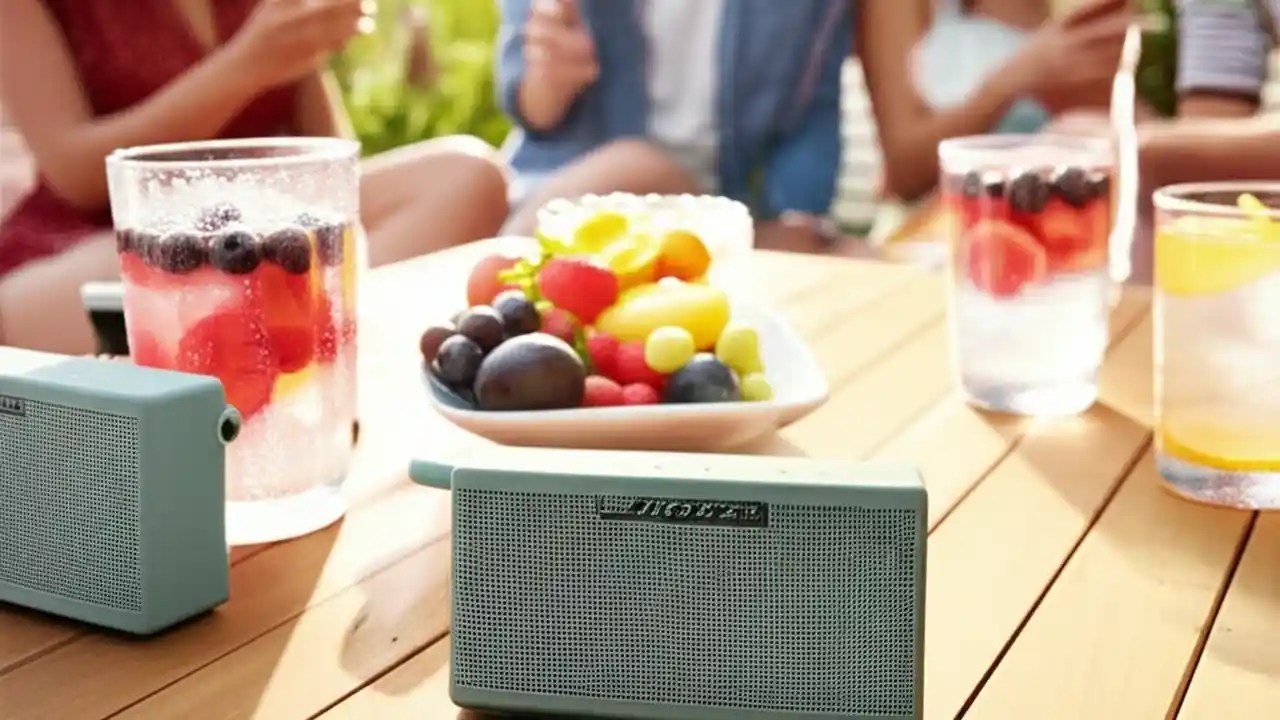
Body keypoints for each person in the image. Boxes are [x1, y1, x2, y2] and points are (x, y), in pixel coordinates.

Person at [0, 0, 510, 354]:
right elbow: (77, 172)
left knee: (468, 175)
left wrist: (305, 49)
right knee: (204, 258)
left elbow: (331, 169)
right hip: (95, 251)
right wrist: (247, 65)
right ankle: (315, 340)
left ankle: (304, 343)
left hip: (268, 224)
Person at [495, 0, 854, 252]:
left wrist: (795, 217)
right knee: (457, 170)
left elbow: (811, 106)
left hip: (703, 204)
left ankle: (502, 307)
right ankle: (481, 317)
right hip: (549, 183)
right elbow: (533, 111)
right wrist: (549, 76)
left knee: (633, 167)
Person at [860, 0, 1135, 203]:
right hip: (929, 239)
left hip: (1059, 229)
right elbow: (903, 171)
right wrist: (1013, 80)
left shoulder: (1096, 11)